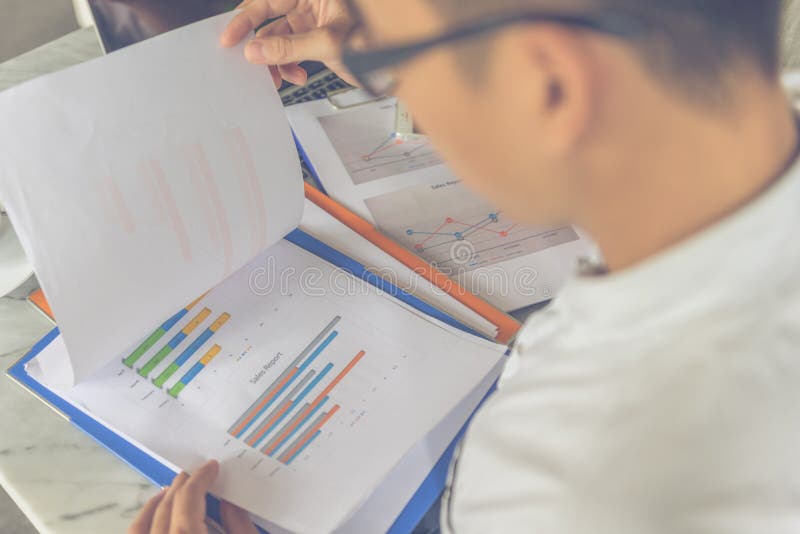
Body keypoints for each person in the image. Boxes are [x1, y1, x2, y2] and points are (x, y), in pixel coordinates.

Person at [131, 0, 800, 532]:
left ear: (550, 86)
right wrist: (402, 35)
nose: (400, 95)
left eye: (394, 66)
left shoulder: (570, 491)